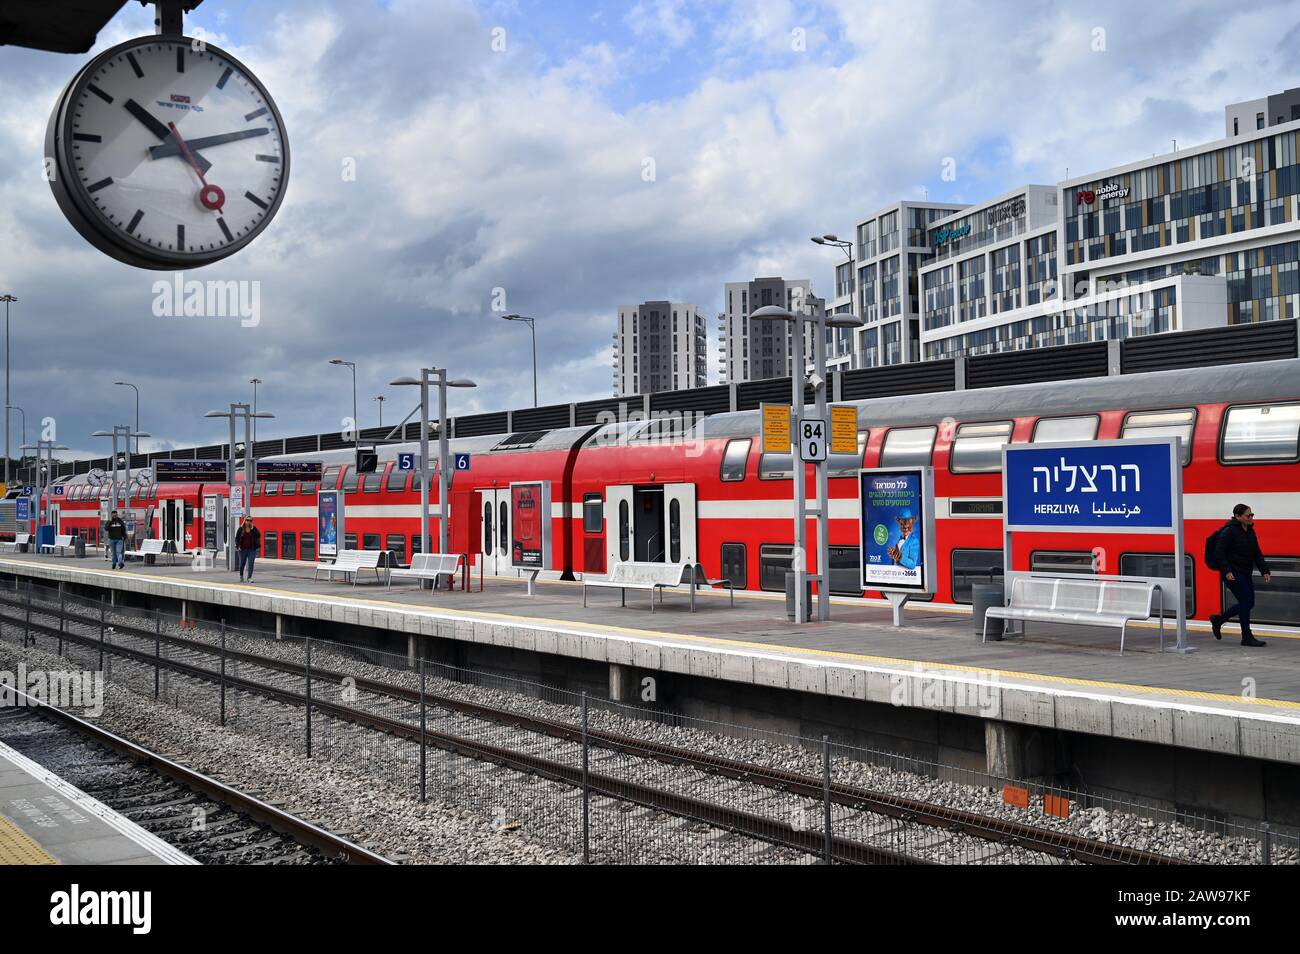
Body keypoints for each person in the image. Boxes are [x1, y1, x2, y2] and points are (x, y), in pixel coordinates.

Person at [1211, 503, 1272, 647]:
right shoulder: (1229, 531)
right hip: (1232, 573)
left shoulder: (1250, 530)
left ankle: (1219, 620)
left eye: (1252, 515)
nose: (1251, 517)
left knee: (1249, 602)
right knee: (1246, 602)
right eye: (1248, 515)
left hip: (1245, 571)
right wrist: (1227, 571)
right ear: (1238, 517)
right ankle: (1246, 636)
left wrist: (1265, 570)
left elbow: (1256, 552)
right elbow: (1219, 553)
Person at [235, 514, 260, 583]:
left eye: (250, 520)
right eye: (247, 520)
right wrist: (238, 546)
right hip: (242, 549)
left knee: (251, 563)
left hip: (252, 549)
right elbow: (237, 538)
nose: (248, 522)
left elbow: (258, 535)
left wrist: (253, 528)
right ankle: (241, 575)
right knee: (242, 563)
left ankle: (249, 577)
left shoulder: (253, 529)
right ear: (245, 521)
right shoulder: (241, 529)